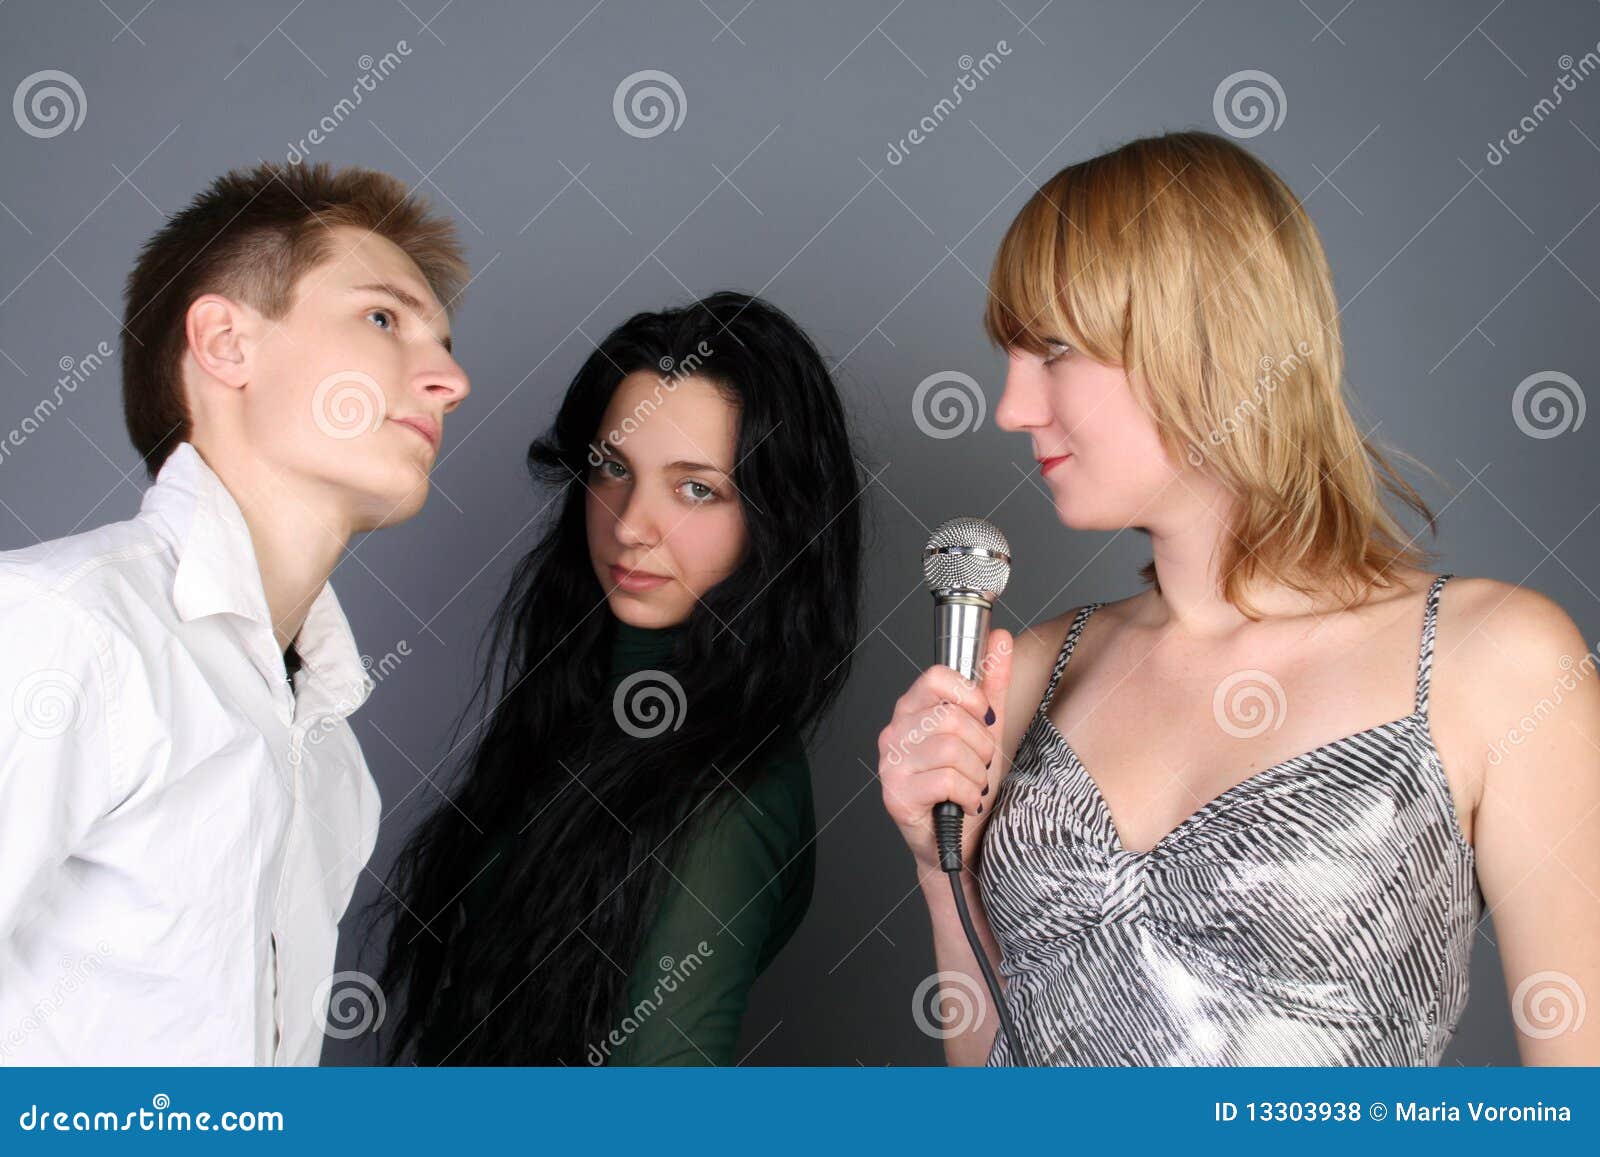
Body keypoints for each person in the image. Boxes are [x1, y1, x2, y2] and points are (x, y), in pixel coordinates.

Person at [877, 130, 1600, 1066]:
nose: (1011, 407)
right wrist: (945, 873)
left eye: (1053, 349)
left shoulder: (1495, 661)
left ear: (1209, 343)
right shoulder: (1028, 673)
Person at [0, 161, 472, 1064]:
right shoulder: (61, 632)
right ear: (225, 342)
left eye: (443, 341)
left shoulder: (332, 762)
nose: (450, 378)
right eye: (383, 318)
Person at [375, 291, 863, 1065]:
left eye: (696, 487)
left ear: (780, 521)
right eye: (612, 469)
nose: (631, 523)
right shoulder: (568, 709)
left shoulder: (732, 795)